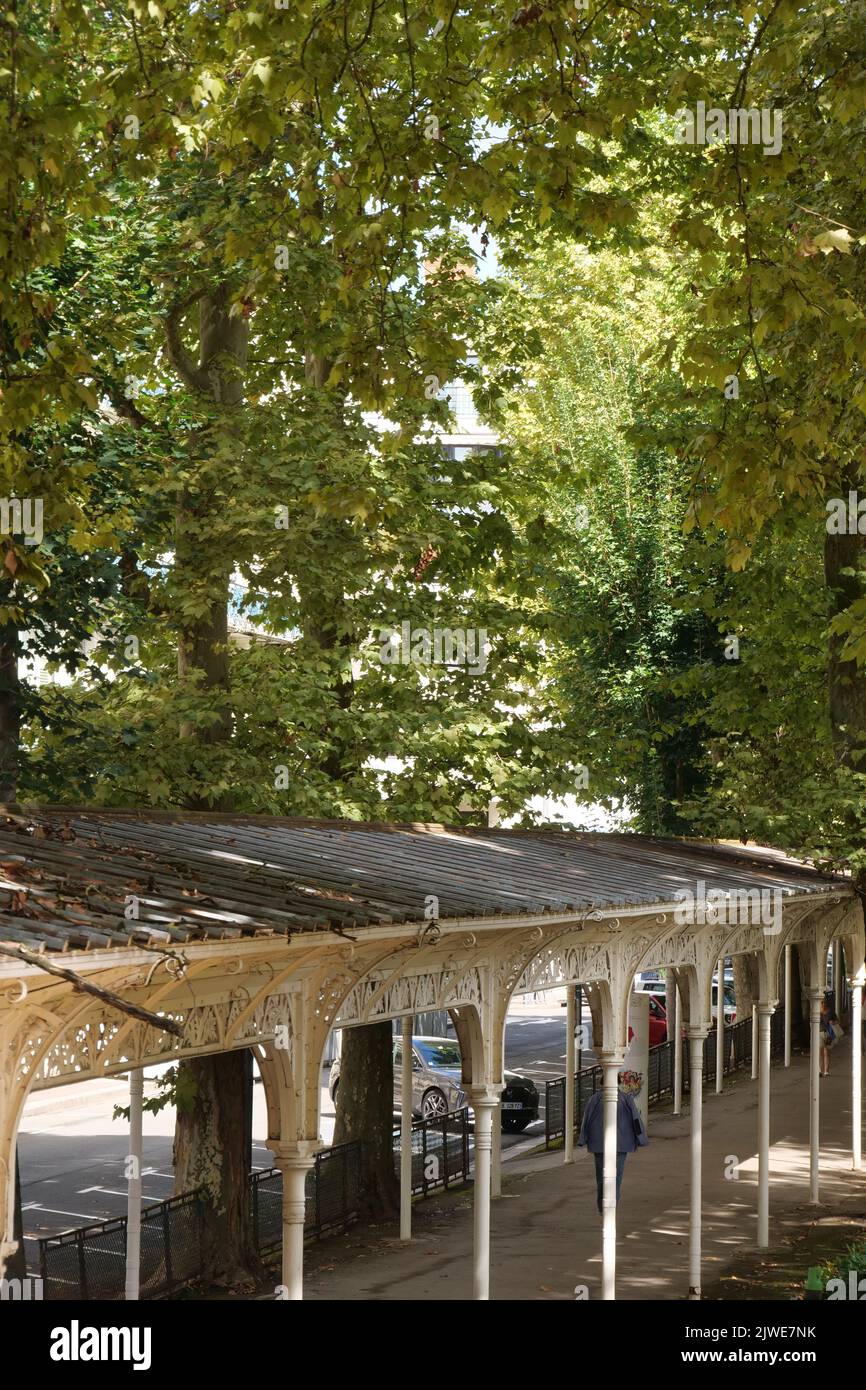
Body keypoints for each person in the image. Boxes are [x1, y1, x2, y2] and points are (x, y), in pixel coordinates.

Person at [577, 1070, 648, 1213]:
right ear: (619, 1083)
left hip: (599, 1145)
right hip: (622, 1144)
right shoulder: (626, 1099)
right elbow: (636, 1120)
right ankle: (612, 1206)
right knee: (616, 1177)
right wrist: (641, 1139)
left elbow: (587, 1120)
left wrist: (582, 1139)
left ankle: (602, 1206)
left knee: (601, 1178)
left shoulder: (595, 1099)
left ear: (602, 1082)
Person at [820, 995, 841, 1076]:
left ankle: (826, 1071)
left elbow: (838, 1021)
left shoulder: (830, 1011)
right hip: (819, 1033)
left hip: (828, 1033)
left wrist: (833, 1022)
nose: (823, 1004)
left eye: (824, 1002)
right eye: (821, 1002)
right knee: (820, 1052)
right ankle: (820, 1070)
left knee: (827, 1052)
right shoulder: (816, 1011)